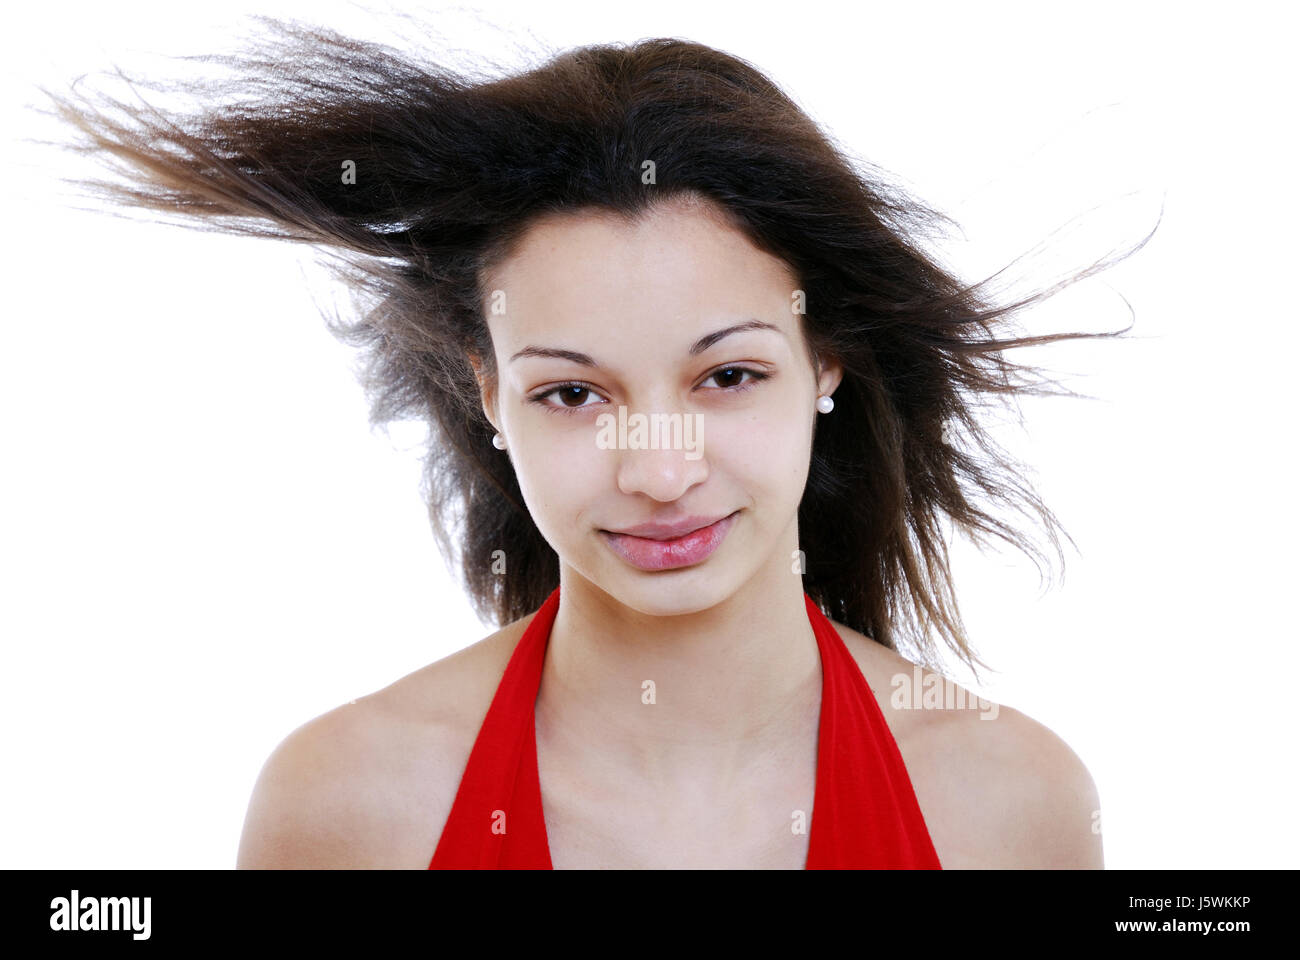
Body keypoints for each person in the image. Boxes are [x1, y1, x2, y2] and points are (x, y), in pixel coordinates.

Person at [41, 24, 1150, 868]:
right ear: (487, 393)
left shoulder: (1011, 807)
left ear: (827, 365)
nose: (660, 473)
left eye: (727, 376)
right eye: (573, 392)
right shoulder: (349, 806)